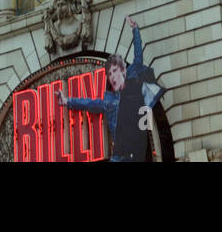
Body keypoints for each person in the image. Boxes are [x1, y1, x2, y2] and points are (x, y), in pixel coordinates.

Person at [57, 17, 160, 162]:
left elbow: (138, 58)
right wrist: (67, 101)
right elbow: (89, 103)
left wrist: (135, 30)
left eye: (115, 71)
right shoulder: (110, 101)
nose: (112, 76)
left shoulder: (134, 86)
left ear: (123, 71)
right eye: (109, 73)